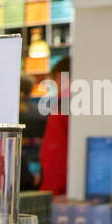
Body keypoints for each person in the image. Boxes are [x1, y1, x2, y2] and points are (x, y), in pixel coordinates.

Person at [39, 57, 70, 194]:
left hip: (58, 189)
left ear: (60, 77)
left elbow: (55, 155)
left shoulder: (62, 108)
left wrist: (49, 191)